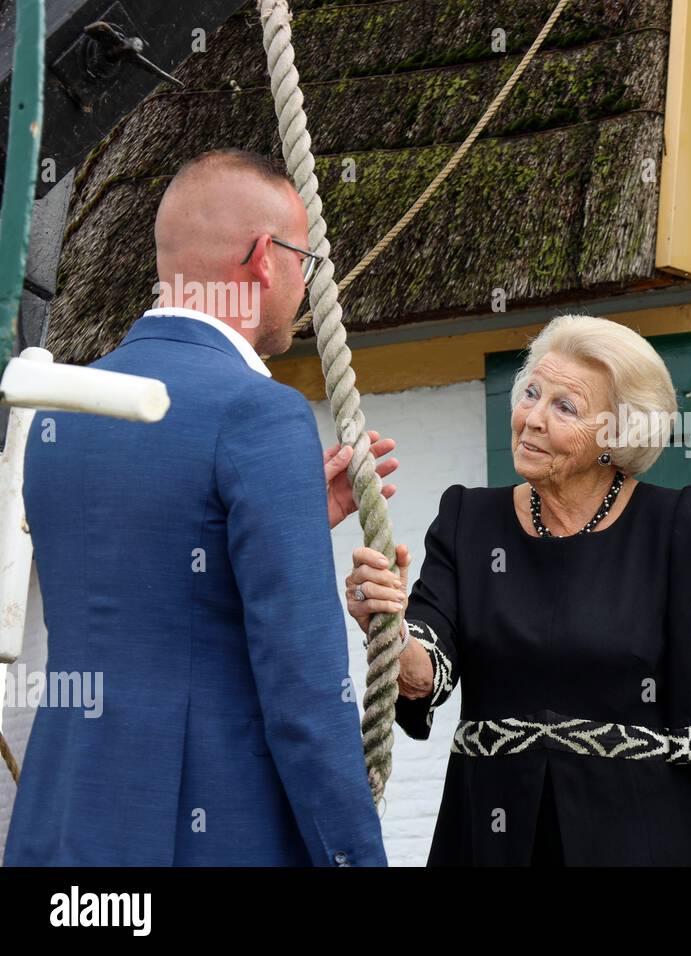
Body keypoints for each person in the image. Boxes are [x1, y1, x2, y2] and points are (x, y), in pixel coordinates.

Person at [4, 148, 396, 866]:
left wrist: (287, 513)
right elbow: (307, 695)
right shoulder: (259, 413)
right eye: (305, 262)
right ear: (263, 259)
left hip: (61, 828)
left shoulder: (61, 412)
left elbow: (149, 575)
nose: (306, 288)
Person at [345, 314, 691, 865]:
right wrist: (387, 625)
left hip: (644, 837)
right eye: (530, 393)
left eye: (565, 407)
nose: (532, 419)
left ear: (617, 435)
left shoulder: (670, 525)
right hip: (493, 838)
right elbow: (426, 671)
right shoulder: (468, 518)